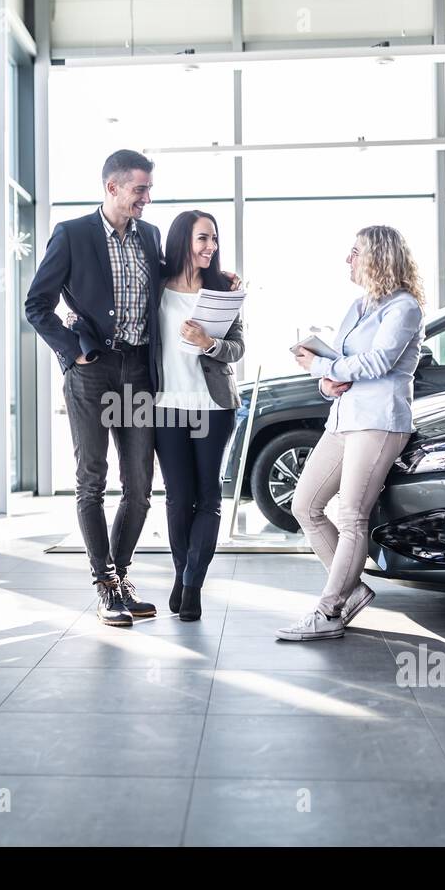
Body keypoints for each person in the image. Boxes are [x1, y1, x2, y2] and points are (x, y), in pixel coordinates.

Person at [24, 149, 163, 626]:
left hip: (138, 372)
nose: (147, 198)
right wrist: (73, 351)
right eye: (140, 189)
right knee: (92, 479)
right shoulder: (72, 235)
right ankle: (105, 584)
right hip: (92, 372)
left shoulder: (150, 236)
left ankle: (121, 576)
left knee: (140, 486)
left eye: (148, 189)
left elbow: (166, 294)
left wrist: (218, 281)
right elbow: (36, 304)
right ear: (113, 187)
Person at [277, 225, 426, 642]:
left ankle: (328, 610)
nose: (349, 259)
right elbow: (343, 360)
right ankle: (352, 591)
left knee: (352, 517)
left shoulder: (404, 307)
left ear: (378, 256)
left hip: (378, 421)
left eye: (355, 251)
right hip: (344, 419)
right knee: (305, 505)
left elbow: (378, 362)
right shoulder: (358, 305)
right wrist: (325, 382)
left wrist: (321, 369)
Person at [150, 210, 243, 622]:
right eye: (203, 238)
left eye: (214, 239)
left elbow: (238, 348)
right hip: (166, 404)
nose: (211, 247)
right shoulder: (155, 287)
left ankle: (192, 585)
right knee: (177, 498)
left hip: (213, 405)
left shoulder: (223, 289)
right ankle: (182, 571)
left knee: (207, 497)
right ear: (182, 240)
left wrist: (209, 344)